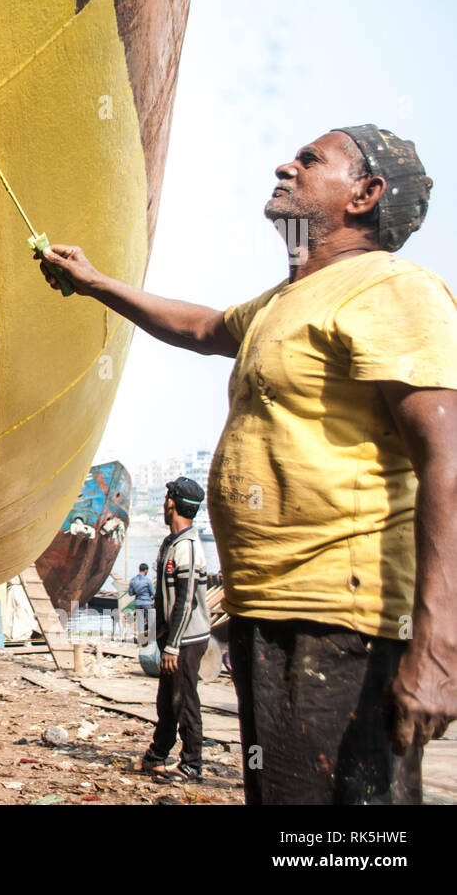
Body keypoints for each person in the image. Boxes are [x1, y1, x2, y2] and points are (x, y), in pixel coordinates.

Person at [36, 125, 456, 804]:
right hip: (274, 611)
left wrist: (439, 650)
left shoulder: (390, 288)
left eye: (312, 159)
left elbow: (448, 463)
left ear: (365, 195)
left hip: (339, 617)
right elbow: (203, 329)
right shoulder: (288, 300)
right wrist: (94, 284)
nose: (285, 165)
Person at [136, 478, 212, 783]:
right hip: (172, 637)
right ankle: (157, 755)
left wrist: (172, 647)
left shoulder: (189, 548)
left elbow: (185, 601)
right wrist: (158, 638)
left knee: (184, 700)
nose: (164, 503)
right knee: (166, 700)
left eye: (167, 497)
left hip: (187, 639)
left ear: (171, 503)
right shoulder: (172, 544)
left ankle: (192, 764)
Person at [128, 562, 156, 643]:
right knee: (151, 621)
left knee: (140, 621)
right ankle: (150, 640)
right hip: (147, 603)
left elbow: (130, 593)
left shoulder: (133, 580)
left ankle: (141, 640)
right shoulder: (148, 580)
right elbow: (153, 593)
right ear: (146, 570)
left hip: (138, 603)